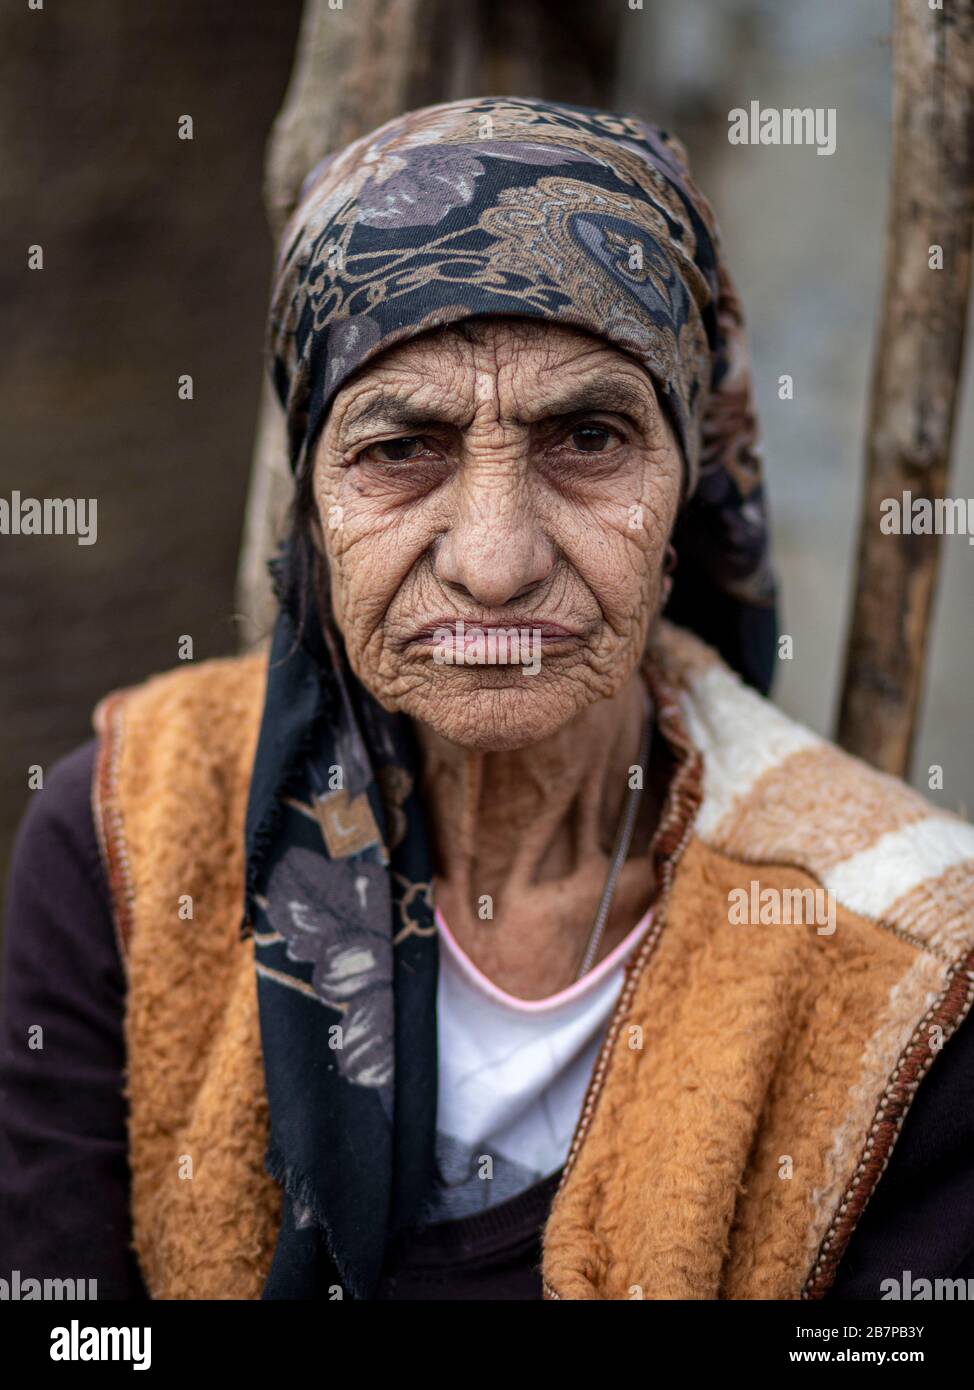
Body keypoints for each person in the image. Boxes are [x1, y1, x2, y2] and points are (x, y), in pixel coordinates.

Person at [3, 96, 974, 1302]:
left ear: (686, 487)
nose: (496, 559)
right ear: (311, 500)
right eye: (400, 448)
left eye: (586, 438)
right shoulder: (125, 838)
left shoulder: (912, 962)